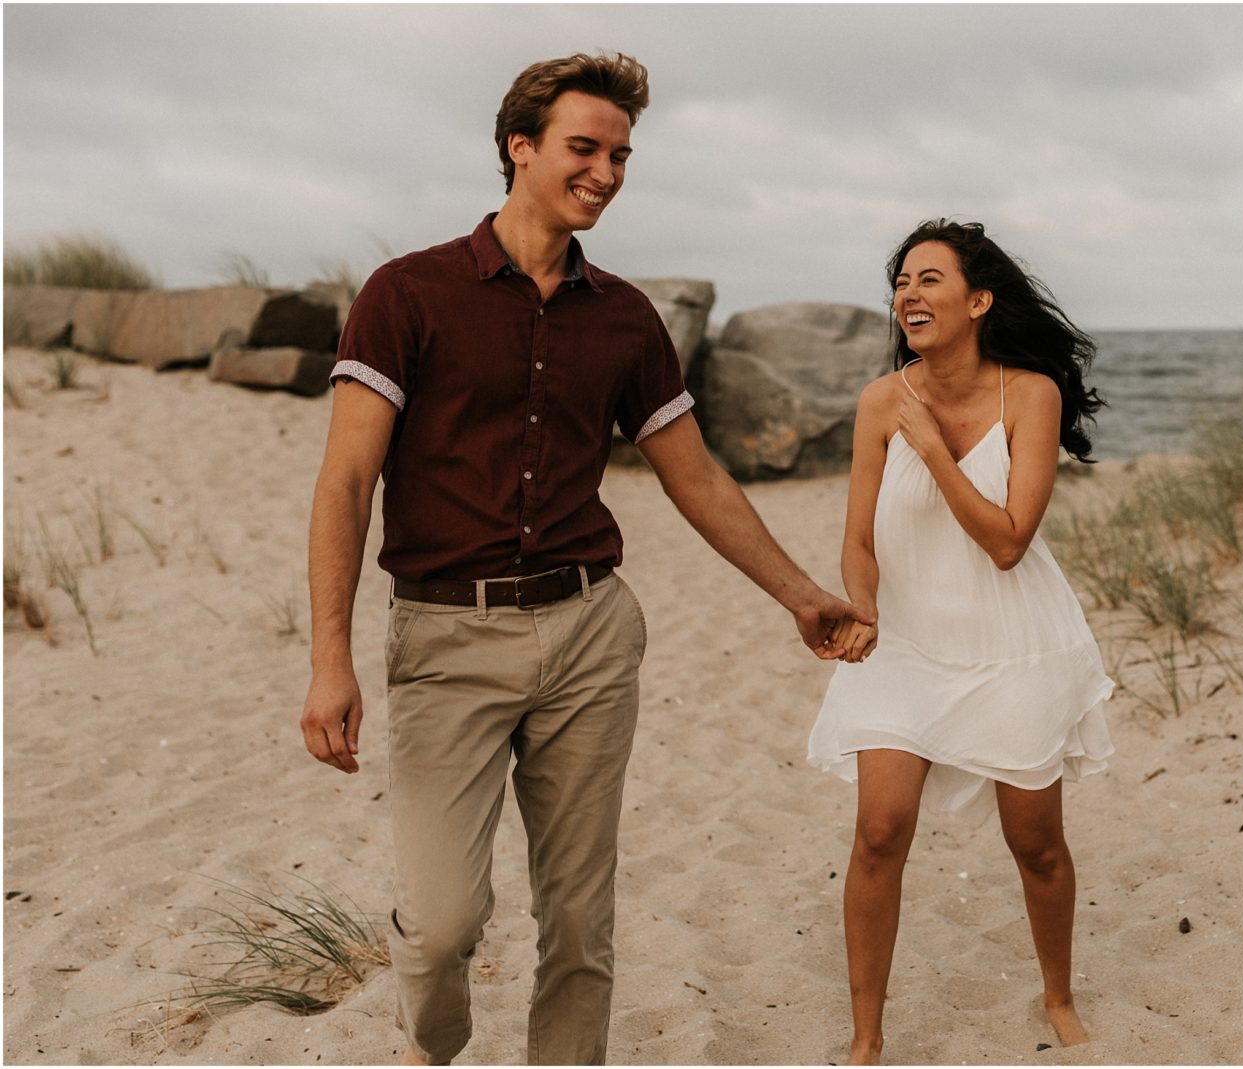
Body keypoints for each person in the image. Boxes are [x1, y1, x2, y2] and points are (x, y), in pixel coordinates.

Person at [298, 52, 866, 1067]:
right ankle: (435, 1048)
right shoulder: (407, 293)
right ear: (520, 148)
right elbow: (345, 482)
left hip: (589, 634)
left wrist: (800, 594)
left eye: (620, 155)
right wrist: (328, 659)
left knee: (578, 917)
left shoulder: (626, 318)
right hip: (443, 635)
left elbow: (694, 478)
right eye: (583, 148)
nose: (605, 171)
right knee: (437, 925)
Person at [808, 219, 1116, 1064]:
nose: (909, 292)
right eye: (902, 280)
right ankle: (866, 1036)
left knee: (1035, 841)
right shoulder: (880, 400)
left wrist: (936, 450)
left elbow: (1010, 538)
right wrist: (862, 608)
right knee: (879, 829)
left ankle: (1058, 993)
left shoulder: (1030, 396)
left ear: (978, 301)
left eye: (930, 278)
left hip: (1011, 641)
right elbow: (858, 538)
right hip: (905, 640)